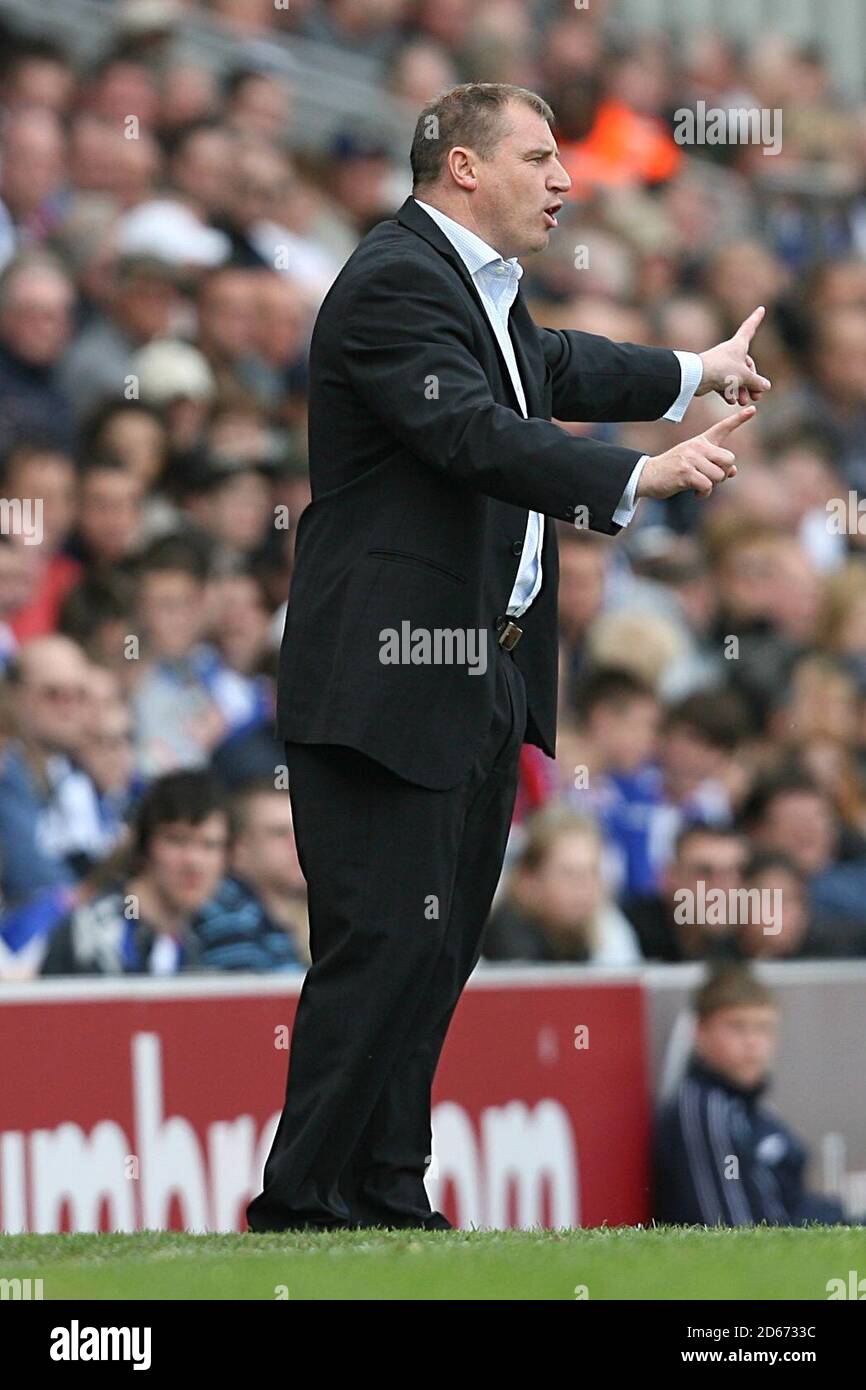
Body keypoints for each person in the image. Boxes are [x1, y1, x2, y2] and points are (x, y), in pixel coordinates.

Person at [248, 81, 769, 1234]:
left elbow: (557, 369)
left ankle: (384, 1189)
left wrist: (692, 372)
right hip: (387, 676)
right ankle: (301, 1204)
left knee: (432, 949)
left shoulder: (473, 292)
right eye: (537, 157)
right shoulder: (392, 280)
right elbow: (469, 432)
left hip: (475, 676)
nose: (563, 178)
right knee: (382, 940)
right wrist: (638, 475)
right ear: (462, 167)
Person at [653, 965, 848, 1226]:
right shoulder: (706, 1112)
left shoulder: (753, 1107)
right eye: (737, 1027)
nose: (752, 1042)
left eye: (763, 1028)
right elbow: (734, 1232)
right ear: (700, 1032)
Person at [40, 770, 230, 976]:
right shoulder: (94, 931)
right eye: (177, 841)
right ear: (144, 846)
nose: (194, 861)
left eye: (210, 845)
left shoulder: (197, 939)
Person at [481, 807, 642, 965]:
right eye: (569, 874)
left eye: (592, 872)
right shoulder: (505, 945)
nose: (584, 888)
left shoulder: (606, 926)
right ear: (529, 881)